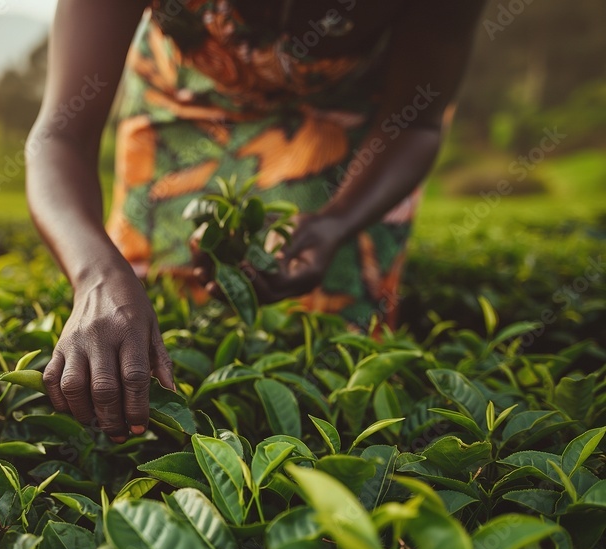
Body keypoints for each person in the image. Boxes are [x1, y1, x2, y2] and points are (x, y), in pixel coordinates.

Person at [25, 0, 485, 441]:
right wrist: (97, 276)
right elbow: (59, 136)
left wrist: (336, 223)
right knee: (141, 324)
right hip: (181, 111)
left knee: (334, 366)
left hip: (346, 136)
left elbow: (415, 123)